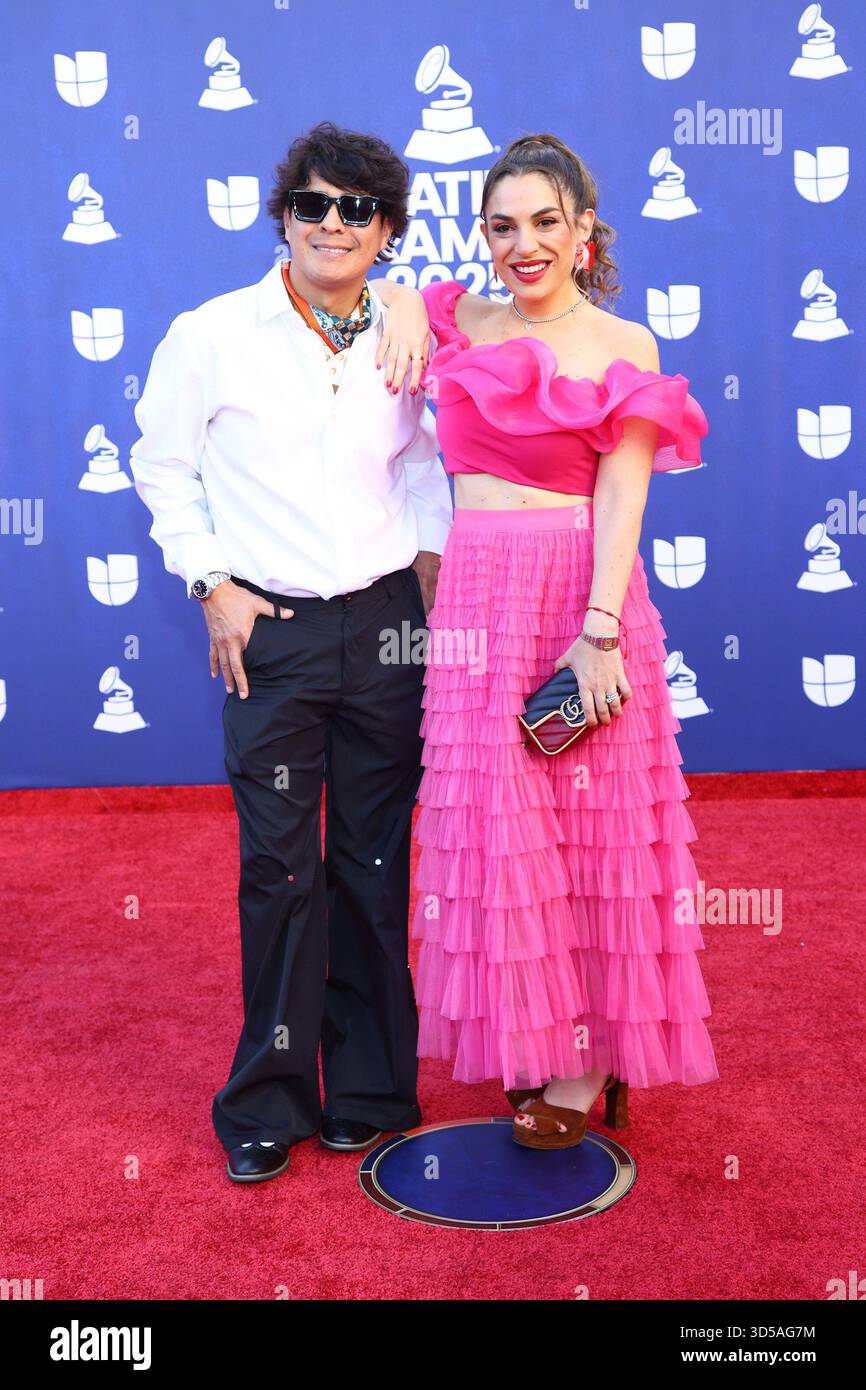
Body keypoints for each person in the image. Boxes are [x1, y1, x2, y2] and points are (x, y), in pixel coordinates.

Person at [375, 132, 719, 1150]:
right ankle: (537, 1031)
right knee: (498, 827)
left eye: (541, 223)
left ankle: (586, 1059)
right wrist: (397, 299)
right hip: (474, 599)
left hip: (578, 594)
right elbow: (394, 293)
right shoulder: (455, 318)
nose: (520, 245)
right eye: (500, 225)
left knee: (591, 833)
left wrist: (599, 634)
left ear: (581, 230)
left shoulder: (625, 347)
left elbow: (623, 494)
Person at [129, 122, 452, 1183]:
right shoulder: (212, 333)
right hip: (267, 632)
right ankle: (267, 1098)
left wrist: (431, 572)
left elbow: (423, 465)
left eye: (356, 209)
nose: (331, 223)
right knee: (277, 871)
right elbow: (163, 466)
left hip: (384, 626)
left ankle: (365, 1089)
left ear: (387, 232)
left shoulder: (405, 337)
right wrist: (209, 582)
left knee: (369, 864)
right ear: (282, 215)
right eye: (313, 204)